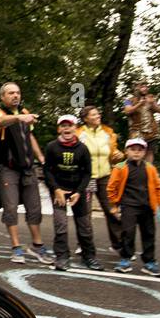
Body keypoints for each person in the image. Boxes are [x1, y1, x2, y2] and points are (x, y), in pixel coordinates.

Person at [0, 82, 51, 264]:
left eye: (17, 93)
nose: (15, 96)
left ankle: (37, 246)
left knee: (35, 208)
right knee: (10, 208)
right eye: (11, 93)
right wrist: (18, 119)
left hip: (28, 169)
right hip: (7, 169)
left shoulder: (25, 113)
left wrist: (41, 158)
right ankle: (16, 248)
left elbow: (30, 136)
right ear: (3, 97)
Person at [44, 115, 99, 271]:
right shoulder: (51, 147)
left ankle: (89, 256)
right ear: (59, 129)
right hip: (59, 191)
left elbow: (87, 173)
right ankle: (62, 257)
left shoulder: (82, 148)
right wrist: (56, 189)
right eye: (63, 125)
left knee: (85, 226)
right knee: (60, 224)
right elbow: (47, 171)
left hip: (78, 191)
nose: (66, 128)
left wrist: (79, 192)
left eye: (70, 125)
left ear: (75, 128)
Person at [107, 139, 160, 275]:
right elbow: (111, 187)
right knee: (128, 233)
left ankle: (149, 262)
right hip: (129, 206)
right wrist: (114, 204)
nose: (136, 152)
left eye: (140, 150)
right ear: (126, 151)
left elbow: (158, 187)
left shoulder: (150, 168)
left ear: (144, 152)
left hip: (147, 206)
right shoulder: (120, 167)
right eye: (133, 149)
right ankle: (125, 260)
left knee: (149, 234)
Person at [78, 105, 125, 255]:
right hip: (87, 177)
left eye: (98, 113)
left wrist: (118, 155)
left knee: (112, 210)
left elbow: (113, 152)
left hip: (105, 175)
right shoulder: (79, 133)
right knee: (85, 212)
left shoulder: (107, 132)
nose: (97, 116)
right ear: (85, 119)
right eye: (93, 114)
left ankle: (118, 244)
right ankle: (84, 244)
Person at [123, 81, 160, 164]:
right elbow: (128, 111)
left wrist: (153, 103)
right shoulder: (129, 100)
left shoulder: (150, 98)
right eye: (142, 86)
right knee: (135, 152)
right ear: (137, 88)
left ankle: (148, 172)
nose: (145, 88)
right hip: (136, 131)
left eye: (146, 86)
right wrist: (139, 104)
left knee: (150, 152)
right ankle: (132, 171)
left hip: (151, 132)